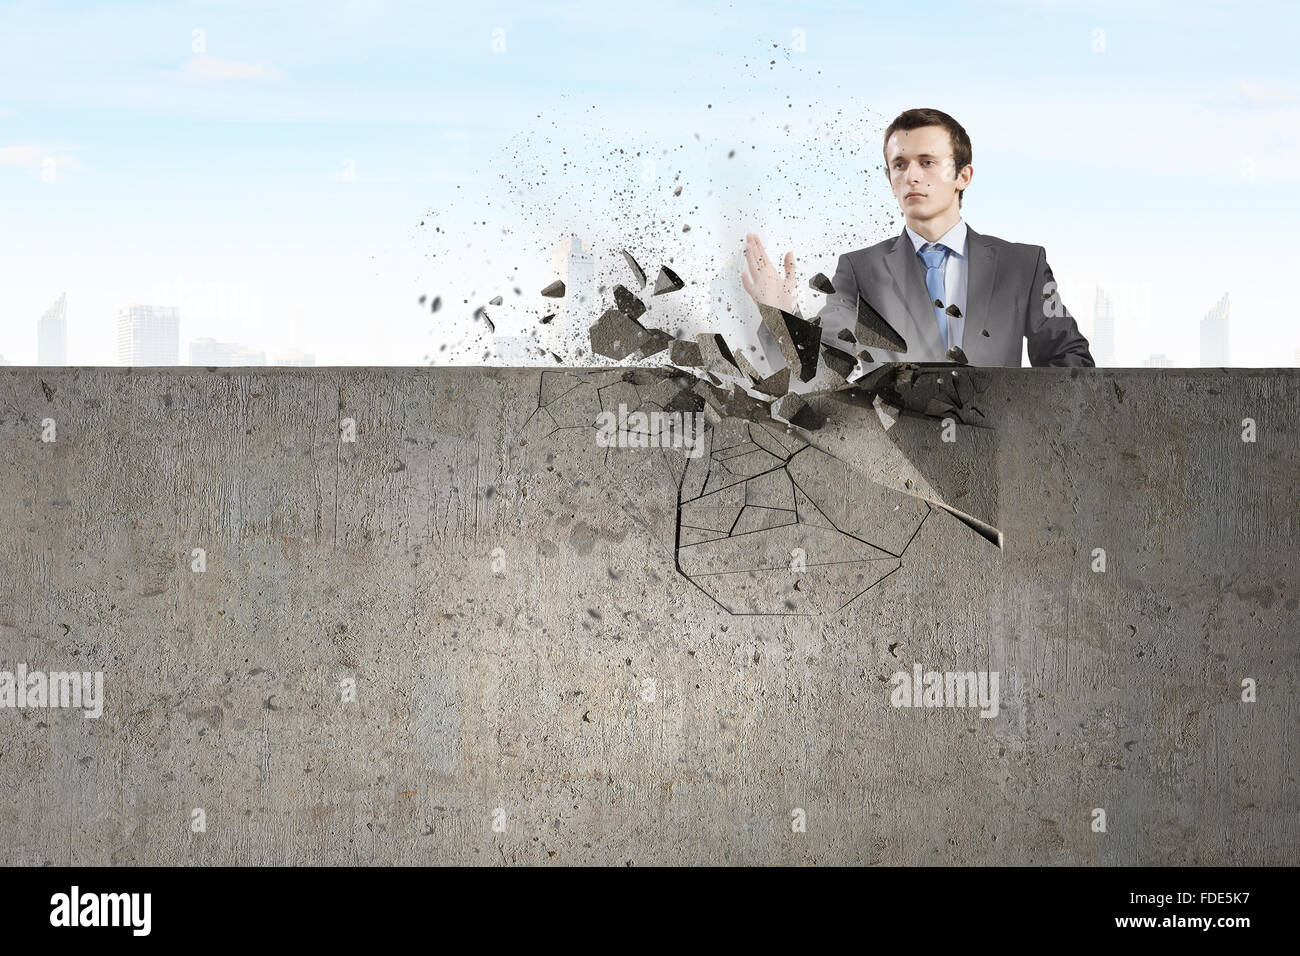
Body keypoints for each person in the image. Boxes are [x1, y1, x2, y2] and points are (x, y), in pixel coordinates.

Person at [744, 107, 1094, 374]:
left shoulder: (1022, 265)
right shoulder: (859, 270)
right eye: (899, 165)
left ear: (962, 175)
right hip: (899, 464)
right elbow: (818, 373)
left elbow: (1071, 364)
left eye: (927, 162)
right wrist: (780, 314)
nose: (911, 176)